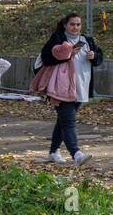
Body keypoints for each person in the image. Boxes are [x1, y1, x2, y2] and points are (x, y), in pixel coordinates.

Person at [35, 12, 103, 167]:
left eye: (78, 24)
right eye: (72, 24)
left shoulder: (87, 40)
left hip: (81, 87)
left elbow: (99, 57)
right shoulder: (58, 38)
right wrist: (68, 54)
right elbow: (46, 57)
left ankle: (53, 152)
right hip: (61, 88)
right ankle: (76, 154)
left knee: (63, 121)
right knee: (69, 122)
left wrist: (94, 56)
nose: (75, 27)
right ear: (65, 25)